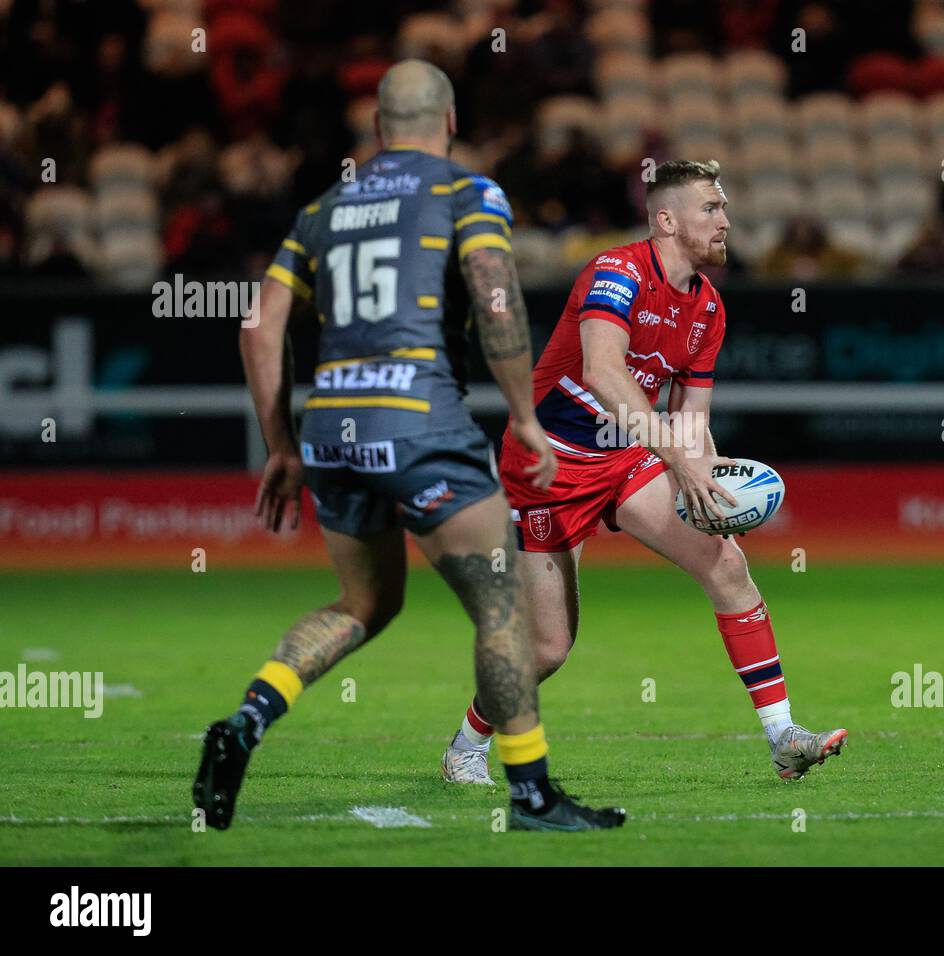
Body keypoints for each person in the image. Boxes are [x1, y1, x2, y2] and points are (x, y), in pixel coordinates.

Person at [193, 60, 625, 832]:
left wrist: (282, 447)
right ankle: (531, 794)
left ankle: (248, 720)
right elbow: (496, 296)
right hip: (420, 418)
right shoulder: (467, 192)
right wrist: (525, 415)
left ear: (377, 130)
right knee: (500, 607)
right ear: (450, 121)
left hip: (334, 428)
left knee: (363, 604)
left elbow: (257, 325)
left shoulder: (322, 208)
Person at [440, 159, 846, 785]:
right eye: (710, 208)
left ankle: (783, 737)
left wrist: (707, 480)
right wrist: (679, 458)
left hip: (629, 457)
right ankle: (467, 743)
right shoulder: (616, 272)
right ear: (665, 219)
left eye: (725, 209)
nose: (725, 221)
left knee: (728, 565)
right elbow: (604, 373)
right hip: (548, 466)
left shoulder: (708, 307)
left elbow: (691, 419)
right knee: (549, 648)